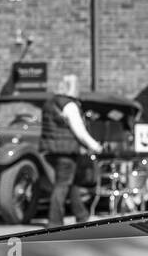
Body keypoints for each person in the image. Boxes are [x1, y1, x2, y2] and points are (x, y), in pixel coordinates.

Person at [39, 73, 103, 229]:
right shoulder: (69, 105)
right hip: (66, 152)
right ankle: (55, 222)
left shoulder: (49, 103)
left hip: (50, 150)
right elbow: (79, 130)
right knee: (62, 185)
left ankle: (82, 215)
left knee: (71, 183)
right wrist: (95, 146)